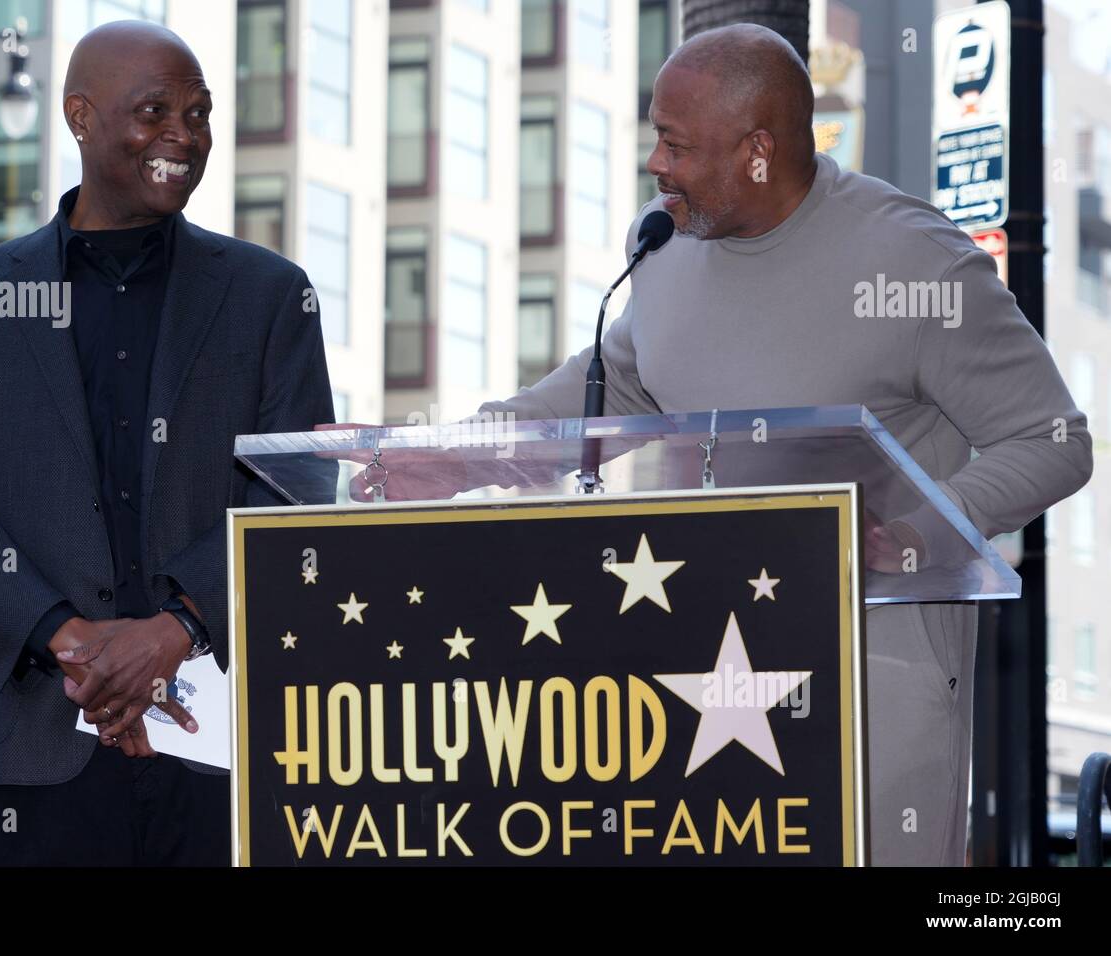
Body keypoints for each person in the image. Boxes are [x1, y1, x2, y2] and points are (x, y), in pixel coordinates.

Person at [343, 24, 1093, 865]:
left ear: (758, 150)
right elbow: (607, 391)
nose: (655, 165)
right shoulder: (664, 244)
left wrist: (919, 533)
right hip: (684, 679)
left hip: (869, 689)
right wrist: (449, 456)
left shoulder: (916, 261)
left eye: (674, 143)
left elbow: (1054, 439)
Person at [0, 20, 333, 866]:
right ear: (80, 116)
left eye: (200, 113)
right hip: (41, 742)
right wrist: (76, 645)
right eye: (155, 111)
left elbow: (297, 489)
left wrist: (175, 630)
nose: (184, 135)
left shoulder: (272, 295)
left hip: (225, 741)